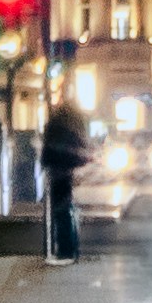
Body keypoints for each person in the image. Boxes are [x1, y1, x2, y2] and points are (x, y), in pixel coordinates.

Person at [37, 96, 90, 262]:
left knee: (60, 210)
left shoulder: (57, 124)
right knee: (64, 208)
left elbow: (51, 147)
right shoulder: (72, 123)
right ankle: (69, 248)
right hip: (66, 168)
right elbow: (79, 144)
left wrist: (45, 162)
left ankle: (64, 249)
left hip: (57, 168)